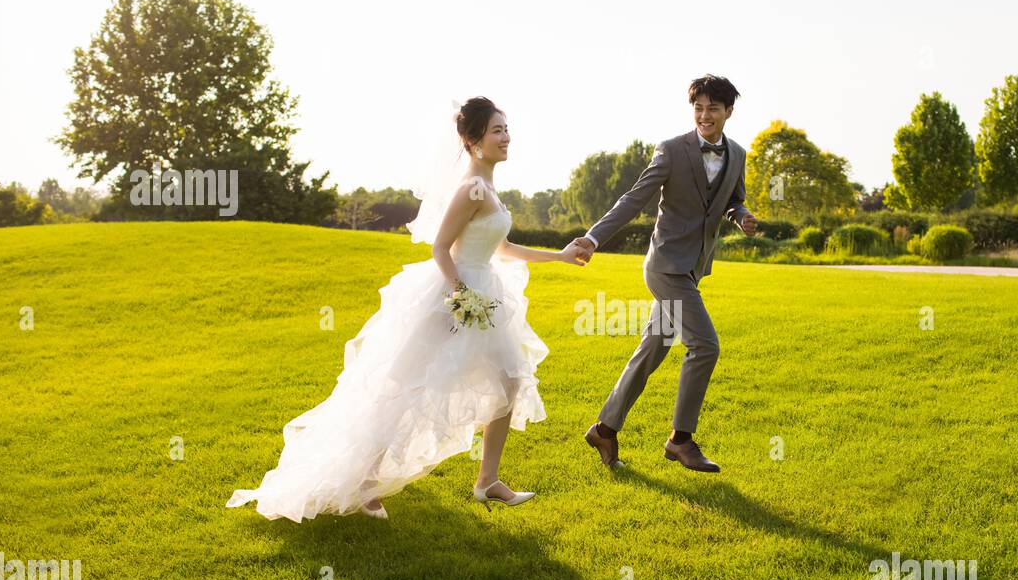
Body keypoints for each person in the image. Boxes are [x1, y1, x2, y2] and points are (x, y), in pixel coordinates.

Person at [226, 97, 587, 521]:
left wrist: (560, 257)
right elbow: (440, 247)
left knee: (509, 381)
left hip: (483, 298)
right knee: (408, 385)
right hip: (454, 300)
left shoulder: (488, 188)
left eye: (507, 128)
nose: (506, 137)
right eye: (496, 130)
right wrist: (459, 296)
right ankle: (365, 480)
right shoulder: (470, 188)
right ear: (473, 141)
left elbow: (502, 248)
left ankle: (487, 481)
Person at [573, 75, 758, 474]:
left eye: (713, 108)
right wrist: (592, 238)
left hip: (692, 268)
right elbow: (634, 198)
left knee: (651, 349)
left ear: (729, 112)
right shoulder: (673, 150)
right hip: (665, 266)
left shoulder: (738, 155)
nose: (704, 115)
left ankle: (604, 428)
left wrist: (741, 216)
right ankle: (681, 440)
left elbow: (733, 200)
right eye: (698, 107)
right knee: (705, 346)